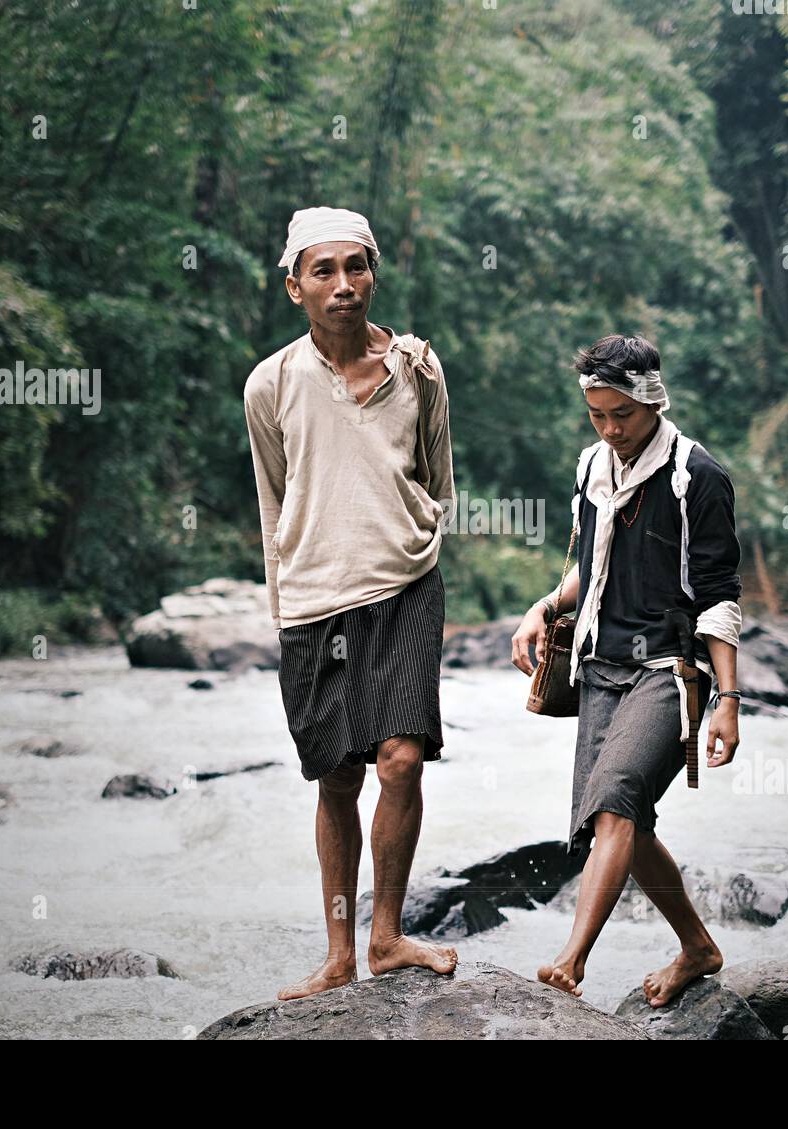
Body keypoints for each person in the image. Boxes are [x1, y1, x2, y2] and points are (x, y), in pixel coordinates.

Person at [243, 206, 457, 999]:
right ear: (294, 284)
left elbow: (439, 477)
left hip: (405, 586)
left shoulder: (419, 369)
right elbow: (274, 500)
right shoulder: (270, 383)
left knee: (400, 759)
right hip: (314, 597)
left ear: (375, 273)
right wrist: (285, 598)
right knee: (336, 776)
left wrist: (416, 533)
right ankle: (338, 954)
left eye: (356, 267)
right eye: (323, 271)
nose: (343, 285)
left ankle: (388, 935)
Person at [511, 333, 744, 1008]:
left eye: (624, 415)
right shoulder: (591, 465)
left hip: (669, 671)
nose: (611, 429)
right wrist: (542, 605)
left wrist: (727, 699)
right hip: (600, 667)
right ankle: (699, 946)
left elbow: (721, 595)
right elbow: (596, 564)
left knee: (614, 797)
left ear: (654, 401)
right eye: (597, 415)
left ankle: (571, 959)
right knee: (623, 822)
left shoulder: (697, 477)